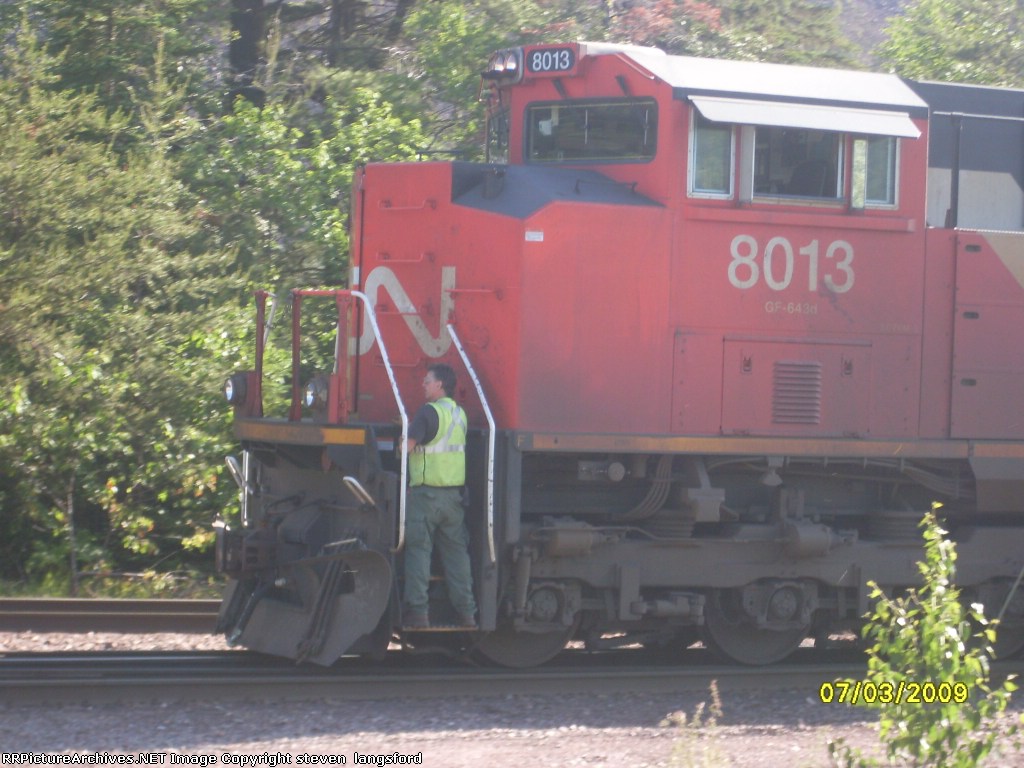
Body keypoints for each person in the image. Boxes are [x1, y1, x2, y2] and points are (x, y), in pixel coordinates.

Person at [402, 363, 477, 629]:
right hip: (453, 499)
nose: (423, 384)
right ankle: (467, 613)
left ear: (440, 385)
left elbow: (407, 448)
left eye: (427, 381)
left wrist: (402, 441)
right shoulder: (460, 414)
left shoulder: (428, 413)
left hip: (426, 497)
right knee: (457, 555)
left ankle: (419, 613)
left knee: (419, 552)